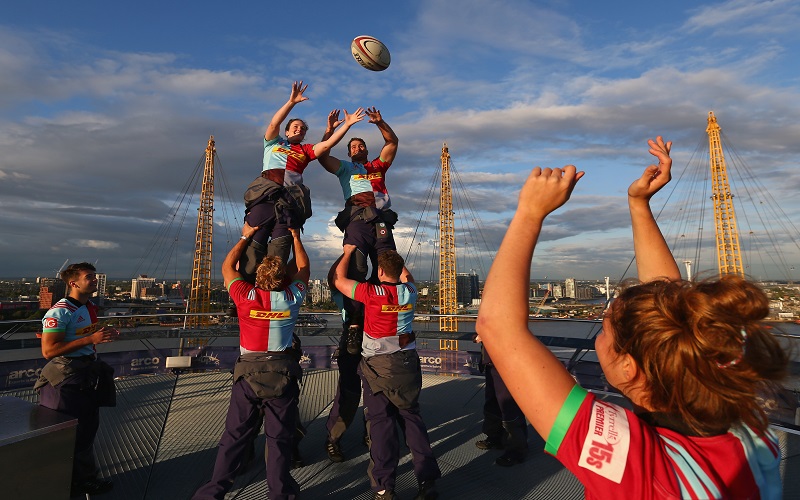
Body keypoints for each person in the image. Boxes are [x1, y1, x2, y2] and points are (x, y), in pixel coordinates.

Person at [476, 137, 787, 498]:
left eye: (605, 330)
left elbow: (498, 328)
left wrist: (529, 213)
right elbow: (674, 312)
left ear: (630, 367)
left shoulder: (638, 469)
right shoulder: (740, 421)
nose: (599, 336)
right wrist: (639, 204)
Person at [193, 223, 310, 500]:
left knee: (234, 438)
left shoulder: (245, 296)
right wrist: (294, 236)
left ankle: (212, 493)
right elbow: (304, 268)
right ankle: (280, 494)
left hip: (247, 375)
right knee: (279, 441)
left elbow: (227, 267)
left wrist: (246, 235)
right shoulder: (291, 297)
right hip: (282, 373)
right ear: (284, 280)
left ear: (258, 278)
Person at [333, 245, 441, 500]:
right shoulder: (410, 292)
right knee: (412, 420)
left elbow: (339, 281)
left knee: (381, 426)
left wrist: (348, 253)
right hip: (407, 365)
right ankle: (428, 481)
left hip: (377, 369)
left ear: (380, 270)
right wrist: (395, 260)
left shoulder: (371, 292)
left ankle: (384, 488)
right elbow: (408, 278)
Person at [239, 80, 364, 281]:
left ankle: (272, 293)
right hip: (265, 197)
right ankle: (242, 296)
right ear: (287, 131)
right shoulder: (273, 143)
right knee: (254, 245)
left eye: (303, 129)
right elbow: (274, 123)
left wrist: (346, 125)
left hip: (288, 203)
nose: (299, 130)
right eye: (295, 127)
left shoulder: (305, 151)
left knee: (278, 252)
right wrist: (291, 102)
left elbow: (327, 145)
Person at [35, 262, 118, 497]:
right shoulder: (60, 311)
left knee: (85, 430)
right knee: (66, 433)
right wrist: (90, 339)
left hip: (85, 375)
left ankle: (83, 480)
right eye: (89, 277)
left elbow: (82, 335)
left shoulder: (89, 306)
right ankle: (65, 483)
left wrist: (99, 336)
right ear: (73, 283)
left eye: (95, 276)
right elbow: (49, 351)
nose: (95, 280)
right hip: (66, 379)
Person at [318, 107, 399, 283]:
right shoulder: (346, 168)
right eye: (353, 147)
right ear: (349, 153)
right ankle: (355, 309)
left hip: (381, 219)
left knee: (387, 267)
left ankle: (382, 305)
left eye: (361, 145)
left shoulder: (378, 165)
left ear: (367, 150)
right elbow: (322, 156)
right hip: (358, 218)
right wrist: (330, 130)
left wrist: (380, 123)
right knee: (357, 266)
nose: (357, 148)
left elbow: (392, 143)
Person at [324, 256, 368, 463]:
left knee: (373, 396)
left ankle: (371, 435)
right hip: (352, 349)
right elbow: (333, 278)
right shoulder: (347, 297)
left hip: (370, 348)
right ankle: (334, 438)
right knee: (349, 395)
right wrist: (348, 253)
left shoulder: (370, 292)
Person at [473, 334, 528, 466]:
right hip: (491, 362)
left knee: (508, 406)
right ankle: (495, 438)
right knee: (492, 403)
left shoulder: (507, 313)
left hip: (506, 362)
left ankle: (516, 451)